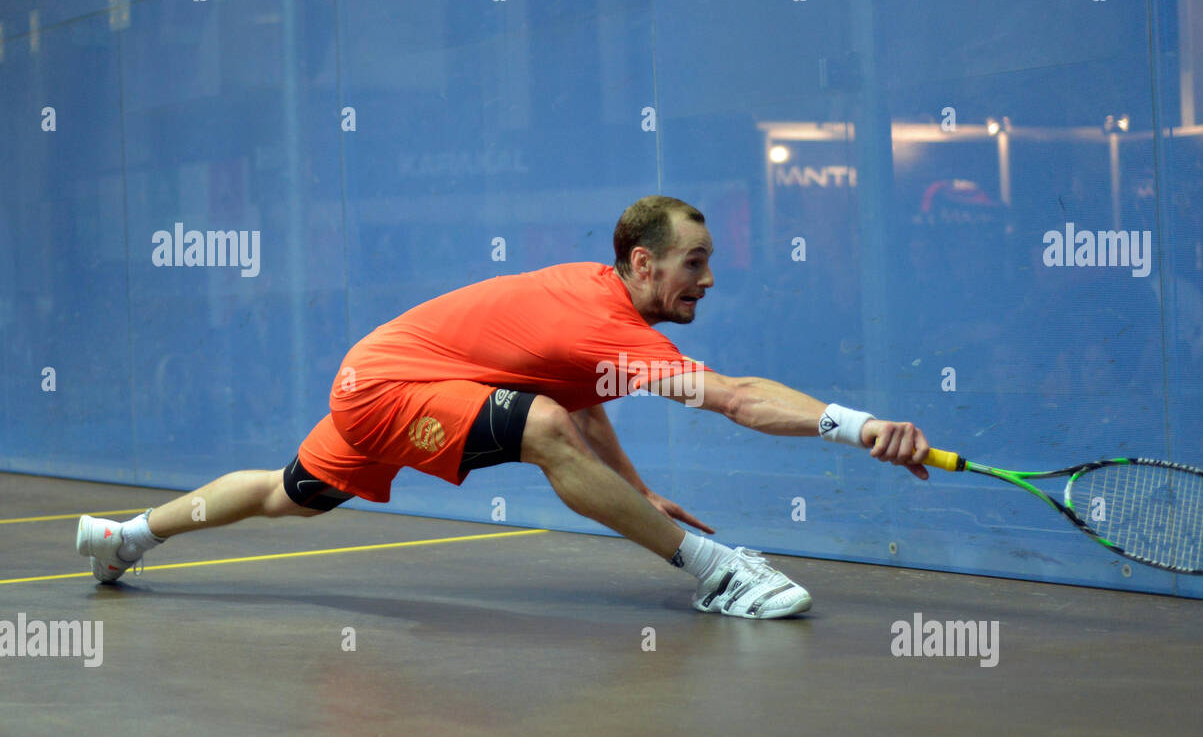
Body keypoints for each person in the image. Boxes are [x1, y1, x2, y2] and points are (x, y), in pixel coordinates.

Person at [77, 196, 931, 619]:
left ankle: (125, 539)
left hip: (383, 377)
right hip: (387, 388)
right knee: (542, 430)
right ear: (642, 262)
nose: (708, 280)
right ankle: (718, 573)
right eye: (694, 264)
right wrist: (860, 428)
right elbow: (738, 400)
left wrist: (637, 496)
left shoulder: (600, 317)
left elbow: (590, 405)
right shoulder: (604, 322)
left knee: (287, 491)